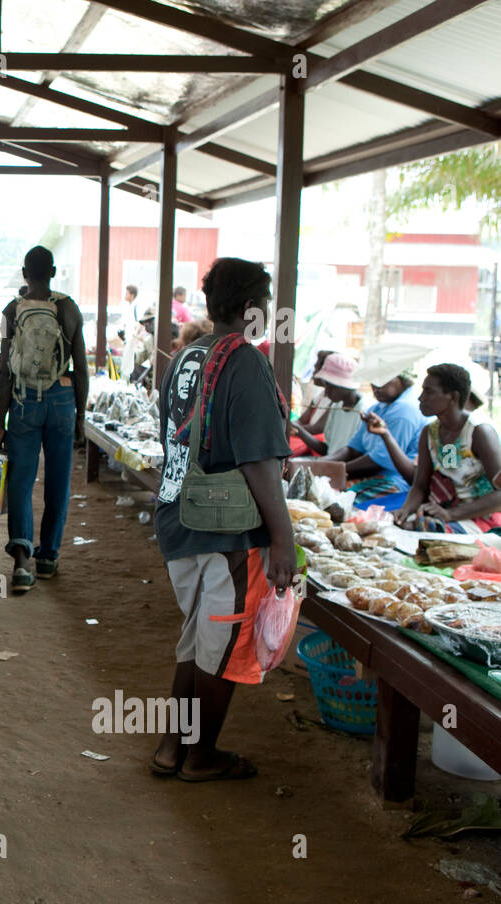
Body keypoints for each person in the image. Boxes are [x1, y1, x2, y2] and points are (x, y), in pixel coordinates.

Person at [151, 257, 297, 783]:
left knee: (197, 639)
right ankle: (201, 756)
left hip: (178, 516)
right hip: (226, 527)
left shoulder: (187, 354)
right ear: (253, 306)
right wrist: (283, 539)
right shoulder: (245, 360)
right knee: (226, 645)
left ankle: (173, 748)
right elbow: (259, 458)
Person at [0, 246, 88, 592]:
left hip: (23, 401)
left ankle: (21, 562)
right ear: (53, 270)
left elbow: (3, 368)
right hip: (62, 400)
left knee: (20, 480)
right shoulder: (68, 308)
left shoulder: (9, 311)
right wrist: (81, 417)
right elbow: (81, 368)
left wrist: (1, 421)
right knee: (58, 481)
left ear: (24, 272)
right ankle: (47, 557)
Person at [369, 364, 501, 534]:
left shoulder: (479, 432)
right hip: (439, 516)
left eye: (429, 392)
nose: (420, 398)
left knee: (422, 532)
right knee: (389, 526)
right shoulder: (430, 432)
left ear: (453, 397)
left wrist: (450, 514)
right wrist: (405, 510)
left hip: (477, 519)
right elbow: (420, 486)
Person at [319, 370, 427, 507]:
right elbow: (353, 449)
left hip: (396, 482)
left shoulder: (405, 410)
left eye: (382, 380)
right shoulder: (378, 408)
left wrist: (330, 469)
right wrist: (321, 464)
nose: (376, 387)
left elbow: (380, 462)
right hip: (381, 477)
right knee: (325, 493)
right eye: (373, 381)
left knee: (336, 503)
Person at [289, 352, 369, 458]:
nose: (326, 392)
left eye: (330, 386)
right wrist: (299, 432)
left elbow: (353, 455)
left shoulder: (365, 411)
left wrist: (325, 463)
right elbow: (327, 449)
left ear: (343, 386)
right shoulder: (336, 406)